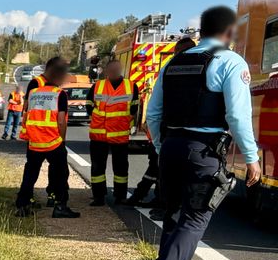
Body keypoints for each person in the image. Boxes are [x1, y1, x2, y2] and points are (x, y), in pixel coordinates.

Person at [135, 7, 262, 260]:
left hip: (172, 148)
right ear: (230, 32)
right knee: (196, 217)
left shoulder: (173, 63)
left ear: (202, 30)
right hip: (202, 151)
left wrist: (163, 145)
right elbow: (237, 116)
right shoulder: (230, 61)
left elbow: (153, 114)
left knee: (174, 216)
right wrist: (251, 157)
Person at [125, 36, 198, 208]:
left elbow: (154, 111)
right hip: (194, 136)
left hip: (169, 133)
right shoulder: (205, 69)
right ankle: (161, 199)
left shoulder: (170, 69)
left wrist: (156, 140)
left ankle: (154, 199)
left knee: (159, 167)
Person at [14, 57, 81, 219]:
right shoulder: (59, 94)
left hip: (35, 141)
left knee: (30, 173)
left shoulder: (34, 92)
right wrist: (62, 140)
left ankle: (22, 205)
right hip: (52, 141)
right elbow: (60, 120)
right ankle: (60, 205)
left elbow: (27, 113)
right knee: (61, 173)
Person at [87, 59, 138, 205]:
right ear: (107, 71)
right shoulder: (97, 85)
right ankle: (98, 196)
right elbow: (89, 104)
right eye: (112, 70)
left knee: (121, 168)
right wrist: (96, 118)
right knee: (97, 168)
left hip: (119, 134)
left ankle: (120, 196)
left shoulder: (131, 86)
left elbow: (134, 108)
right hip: (99, 134)